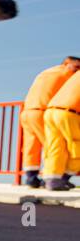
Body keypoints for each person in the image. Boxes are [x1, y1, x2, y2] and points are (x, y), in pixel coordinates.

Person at [22, 56, 80, 189]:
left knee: (32, 146)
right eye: (76, 67)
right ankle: (58, 179)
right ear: (67, 64)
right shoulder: (68, 73)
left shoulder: (46, 72)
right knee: (60, 146)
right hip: (47, 111)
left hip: (29, 111)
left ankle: (32, 178)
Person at [42, 63, 80, 191]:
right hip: (70, 112)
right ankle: (64, 178)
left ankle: (52, 181)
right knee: (77, 146)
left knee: (55, 147)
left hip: (51, 110)